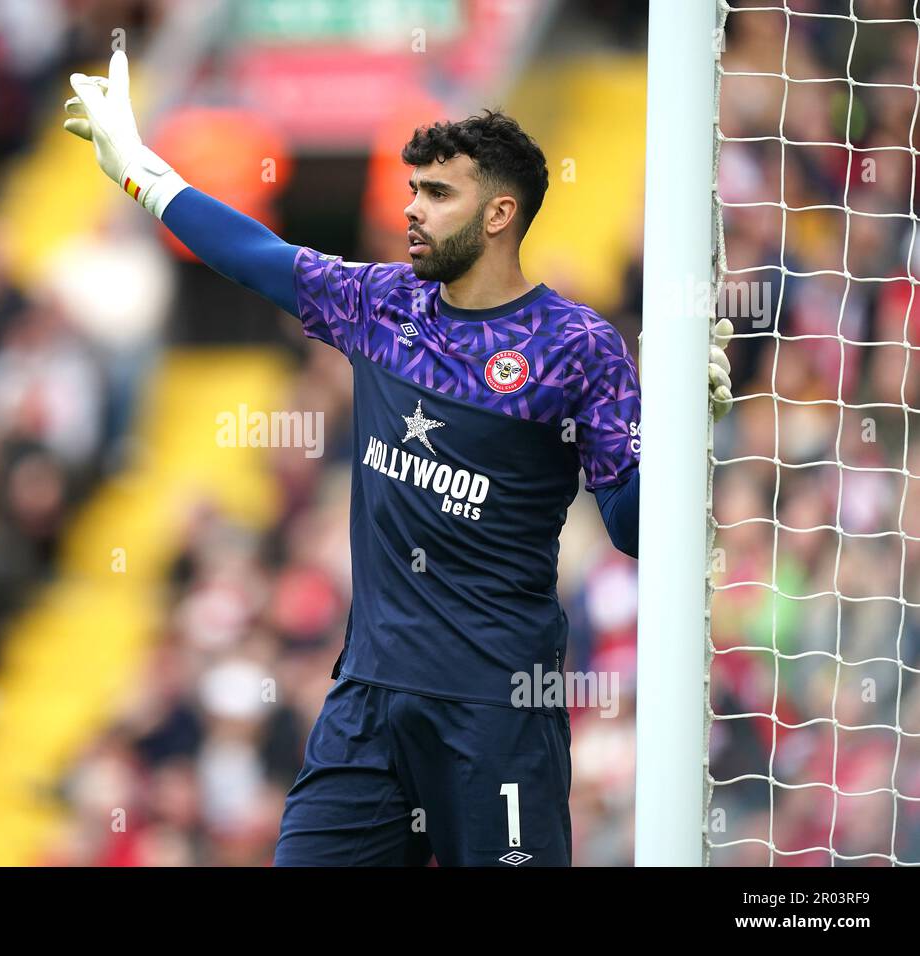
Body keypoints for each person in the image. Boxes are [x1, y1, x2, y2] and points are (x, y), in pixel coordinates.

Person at [64, 50, 732, 866]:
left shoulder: (575, 348)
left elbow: (633, 528)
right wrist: (138, 169)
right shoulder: (382, 306)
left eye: (437, 193)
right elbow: (252, 253)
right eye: (413, 189)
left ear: (500, 214)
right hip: (368, 704)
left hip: (497, 713)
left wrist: (682, 431)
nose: (410, 208)